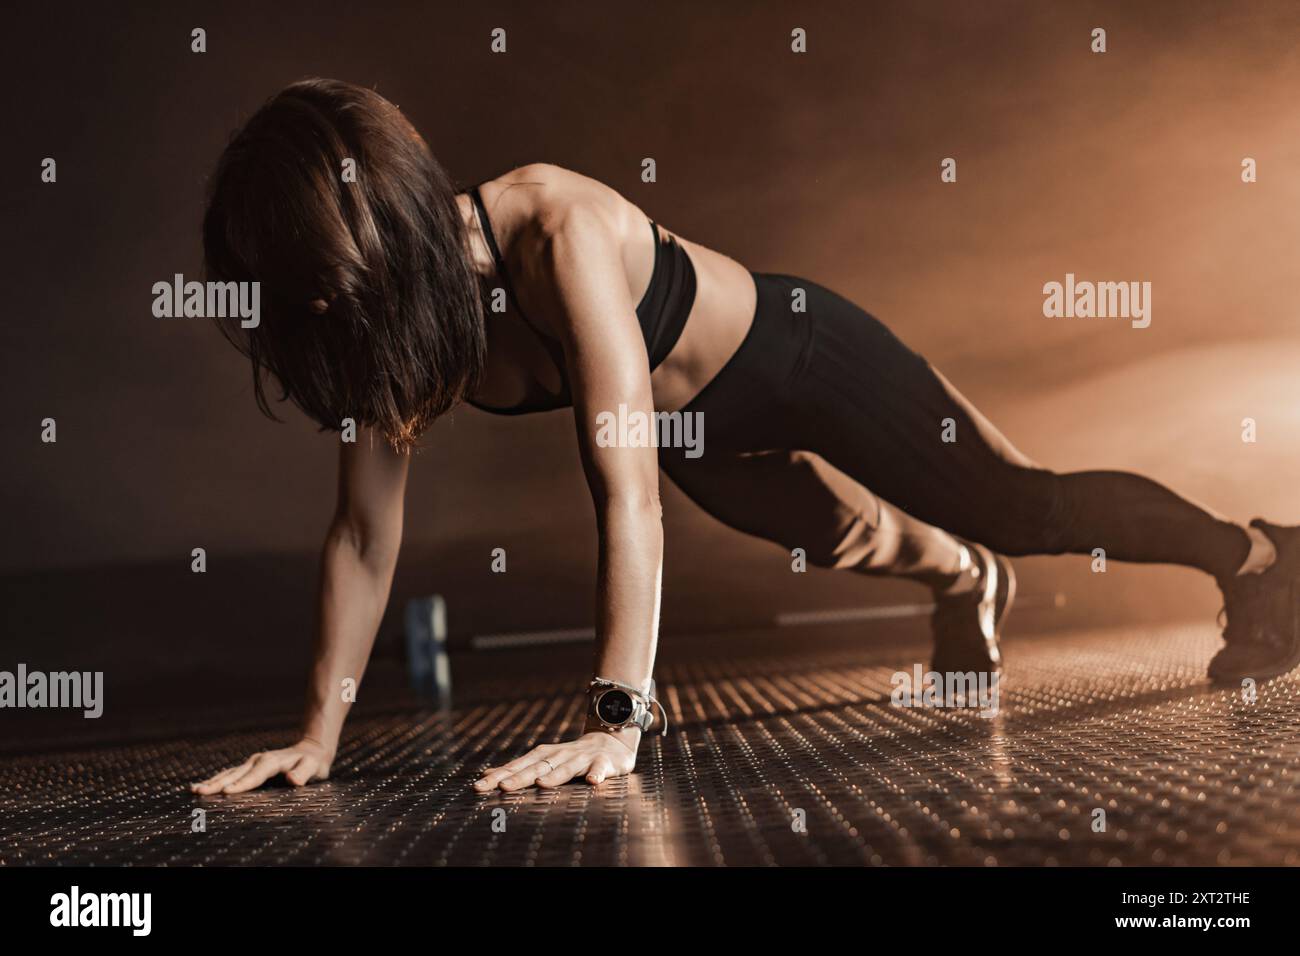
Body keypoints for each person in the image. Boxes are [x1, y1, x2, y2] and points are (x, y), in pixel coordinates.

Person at [192, 78, 1298, 797]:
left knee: (1020, 502)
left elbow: (623, 492)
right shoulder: (394, 327)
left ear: (375, 225)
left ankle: (1258, 556)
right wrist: (317, 734)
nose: (321, 322)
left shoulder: (550, 229)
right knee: (851, 538)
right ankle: (966, 580)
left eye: (319, 292)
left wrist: (619, 716)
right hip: (698, 432)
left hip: (800, 355)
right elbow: (361, 532)